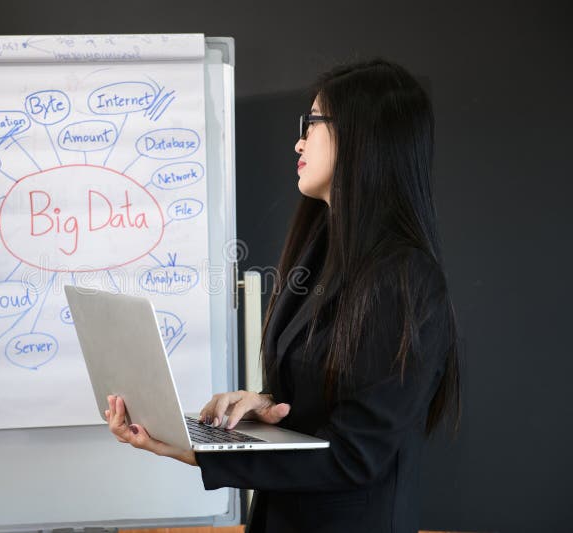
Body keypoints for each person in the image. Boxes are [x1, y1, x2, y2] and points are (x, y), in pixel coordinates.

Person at [105, 57, 461, 533]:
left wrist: (195, 451)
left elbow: (355, 456)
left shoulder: (406, 279)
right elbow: (333, 391)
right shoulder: (321, 250)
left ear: (363, 137)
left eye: (311, 124)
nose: (298, 141)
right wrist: (263, 406)